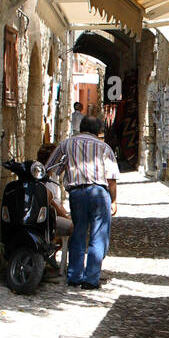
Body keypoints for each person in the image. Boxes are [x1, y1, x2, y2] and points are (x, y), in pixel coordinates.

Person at [44, 116, 118, 289]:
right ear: (98, 130)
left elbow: (50, 168)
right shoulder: (104, 147)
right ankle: (91, 279)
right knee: (98, 235)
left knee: (78, 232)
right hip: (99, 193)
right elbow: (111, 178)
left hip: (77, 193)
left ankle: (74, 276)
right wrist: (114, 200)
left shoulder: (66, 144)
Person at [35, 142, 75, 244]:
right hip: (48, 218)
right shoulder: (41, 178)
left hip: (55, 215)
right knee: (74, 228)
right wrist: (66, 216)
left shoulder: (52, 176)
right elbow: (52, 203)